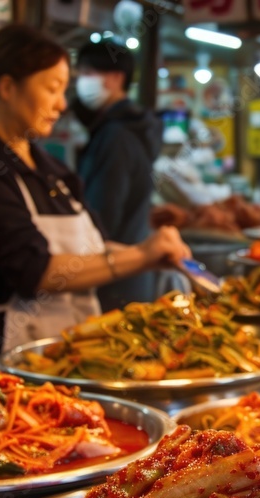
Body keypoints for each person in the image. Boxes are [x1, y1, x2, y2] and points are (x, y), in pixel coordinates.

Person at [0, 25, 190, 359]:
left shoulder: (53, 171)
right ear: (8, 87)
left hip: (69, 359)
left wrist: (150, 253)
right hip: (6, 366)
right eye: (52, 89)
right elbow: (37, 272)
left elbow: (95, 246)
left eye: (64, 89)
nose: (61, 104)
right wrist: (141, 257)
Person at [74, 40, 163, 310]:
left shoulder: (116, 135)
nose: (81, 83)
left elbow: (103, 214)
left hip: (115, 276)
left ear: (115, 78)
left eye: (88, 74)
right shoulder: (134, 128)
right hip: (131, 272)